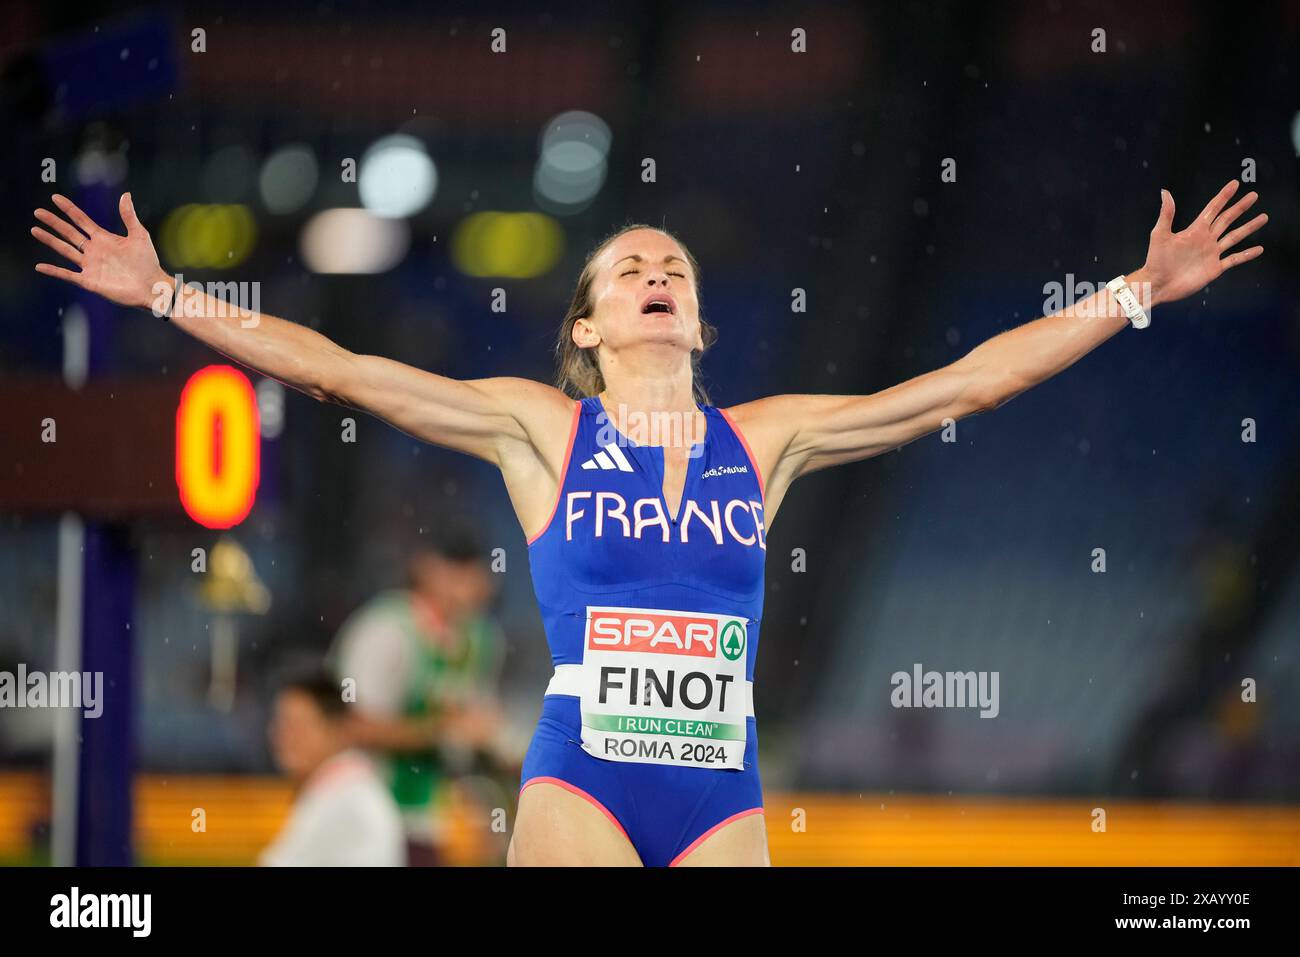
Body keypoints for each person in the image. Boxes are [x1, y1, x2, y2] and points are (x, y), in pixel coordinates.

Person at [31, 181, 1267, 865]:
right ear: (587, 328)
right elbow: (344, 373)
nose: (654, 274)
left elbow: (964, 386)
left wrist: (1135, 291)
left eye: (669, 263)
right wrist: (169, 292)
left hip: (718, 786)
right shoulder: (539, 432)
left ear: (697, 320)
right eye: (627, 268)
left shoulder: (769, 438)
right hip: (585, 780)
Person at [329, 526, 507, 866]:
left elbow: (475, 725)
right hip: (367, 812)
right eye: (456, 569)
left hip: (428, 819)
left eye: (474, 572)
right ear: (426, 569)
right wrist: (442, 732)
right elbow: (347, 726)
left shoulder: (481, 639)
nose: (468, 584)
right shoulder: (387, 630)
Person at [260, 669, 404, 867]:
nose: (283, 736)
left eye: (296, 725)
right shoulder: (351, 787)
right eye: (280, 723)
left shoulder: (341, 798)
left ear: (336, 730)